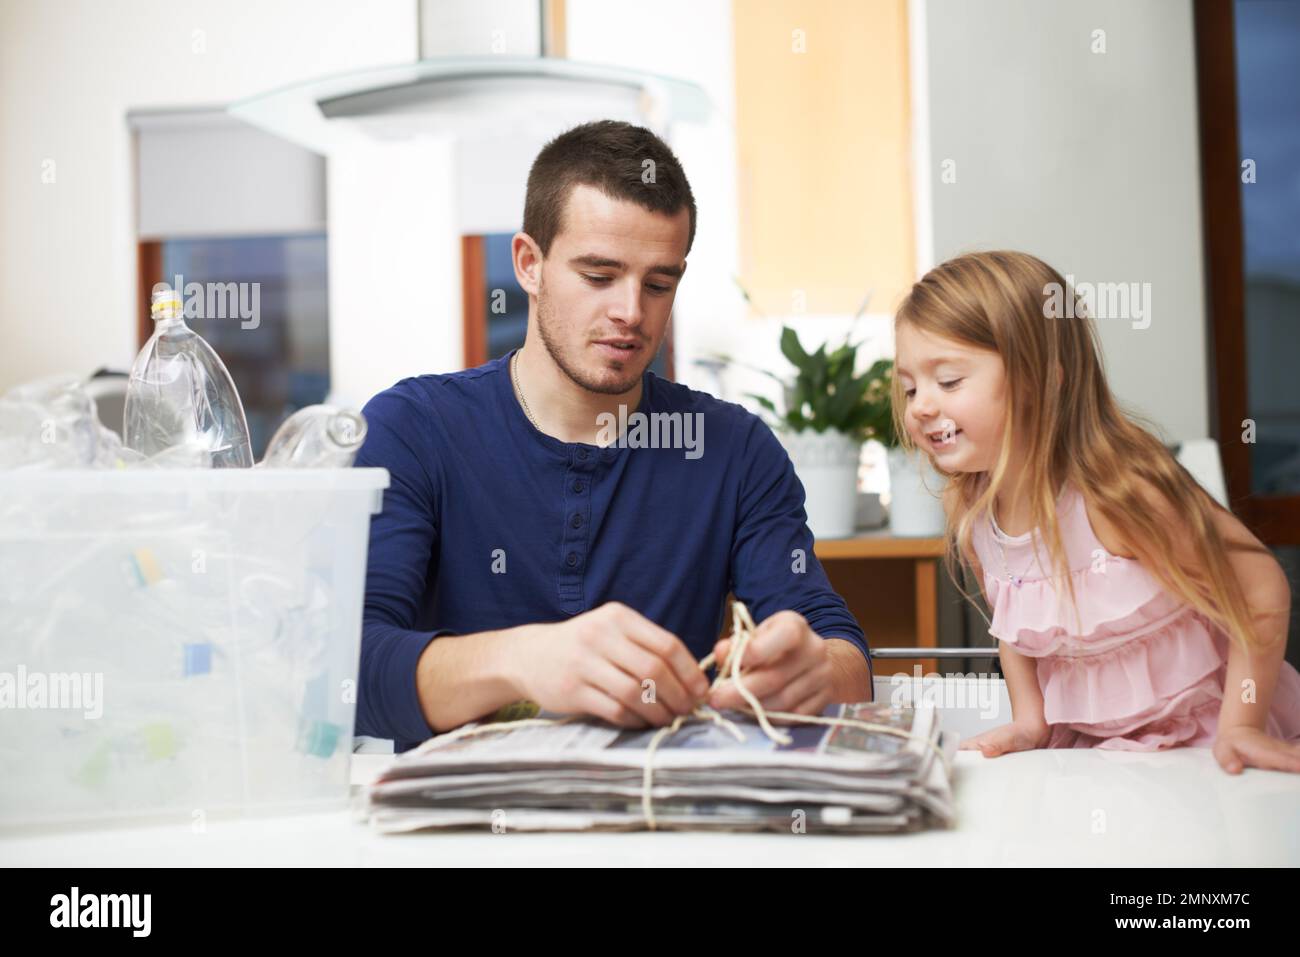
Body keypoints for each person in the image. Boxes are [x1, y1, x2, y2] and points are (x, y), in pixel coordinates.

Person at [354, 120, 871, 751]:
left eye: (659, 284)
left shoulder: (733, 450)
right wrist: (525, 659)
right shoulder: (412, 430)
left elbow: (842, 652)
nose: (631, 312)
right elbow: (346, 668)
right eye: (599, 276)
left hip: (660, 824)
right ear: (529, 264)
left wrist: (814, 670)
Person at [893, 250, 1300, 774]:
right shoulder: (974, 510)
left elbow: (1260, 586)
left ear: (1042, 382)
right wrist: (1030, 721)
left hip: (1206, 746)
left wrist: (1241, 725)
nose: (920, 406)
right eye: (909, 388)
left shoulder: (1117, 496)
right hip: (1102, 756)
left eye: (948, 381)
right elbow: (1014, 626)